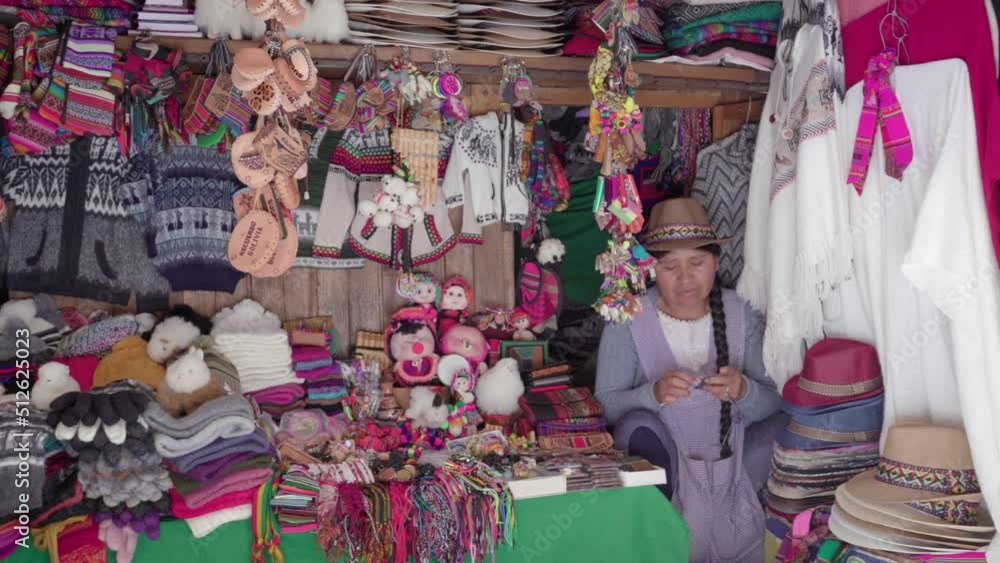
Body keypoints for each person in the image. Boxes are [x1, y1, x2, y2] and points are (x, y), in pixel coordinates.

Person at [595, 198, 785, 562]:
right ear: (651, 269)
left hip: (739, 464)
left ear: (716, 262)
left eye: (697, 263)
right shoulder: (628, 318)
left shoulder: (742, 311)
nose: (685, 278)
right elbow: (605, 404)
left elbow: (777, 401)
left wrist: (744, 392)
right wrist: (653, 394)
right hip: (669, 467)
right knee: (637, 426)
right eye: (670, 266)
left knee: (793, 423)